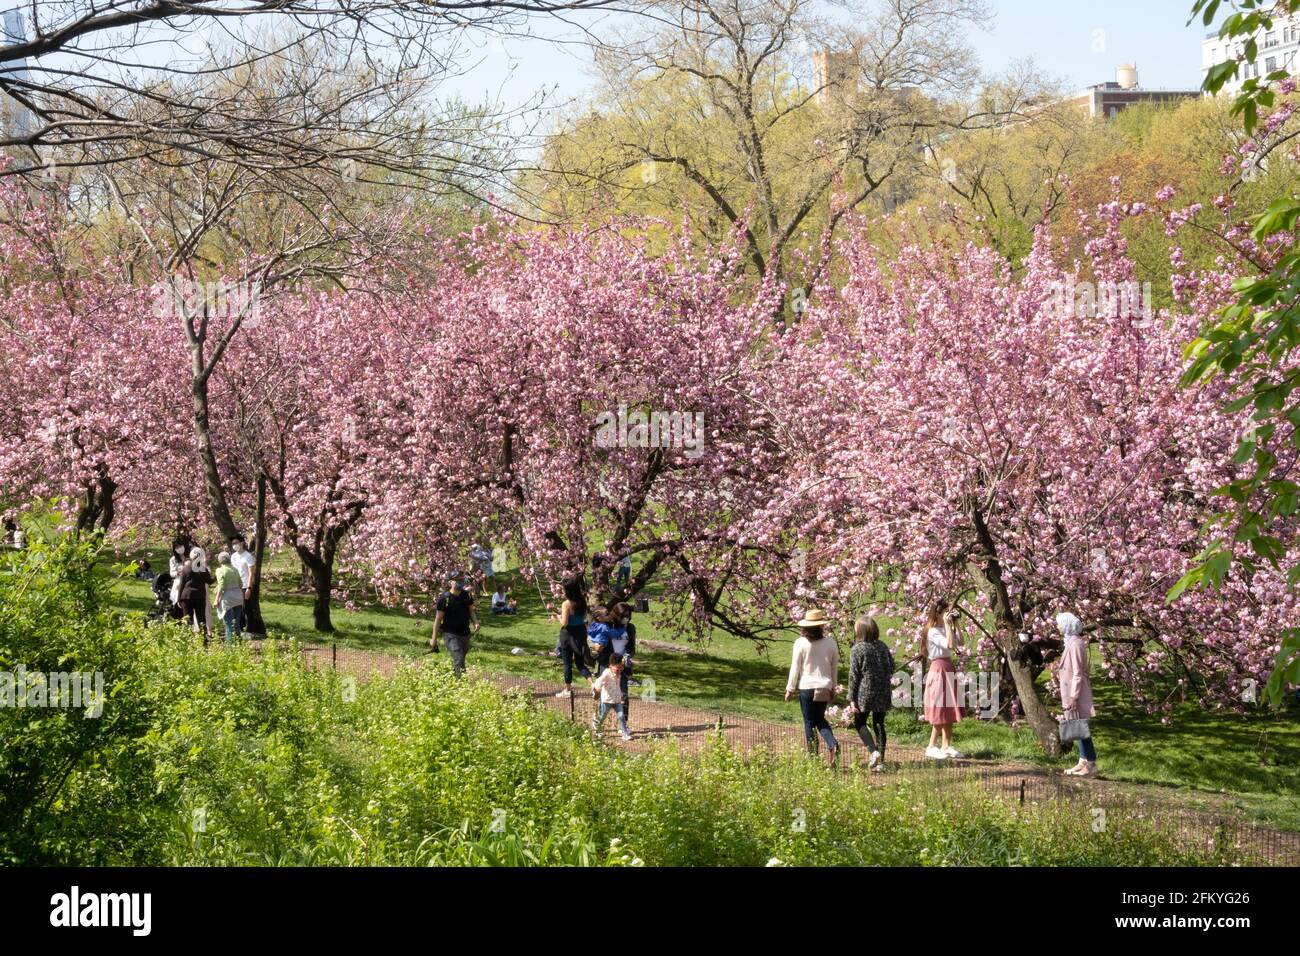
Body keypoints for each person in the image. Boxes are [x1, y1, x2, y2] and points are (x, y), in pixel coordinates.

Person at [784, 608, 840, 767]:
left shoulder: (800, 643)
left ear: (805, 627)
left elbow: (795, 668)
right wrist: (833, 687)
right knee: (820, 719)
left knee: (809, 721)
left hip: (807, 687)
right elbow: (834, 667)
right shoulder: (830, 643)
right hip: (824, 686)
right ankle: (832, 744)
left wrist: (790, 689)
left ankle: (813, 757)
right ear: (821, 626)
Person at [1055, 611, 1098, 777]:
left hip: (1076, 693)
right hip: (1071, 693)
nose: (1058, 627)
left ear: (1067, 626)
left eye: (1060, 624)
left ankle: (1091, 764)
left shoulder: (1076, 644)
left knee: (1081, 728)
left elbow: (1078, 673)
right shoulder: (1070, 643)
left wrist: (1074, 696)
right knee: (1077, 727)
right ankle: (1082, 761)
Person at [848, 616, 894, 770]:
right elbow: (892, 667)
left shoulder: (857, 649)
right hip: (883, 690)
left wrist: (851, 698)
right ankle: (881, 762)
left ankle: (873, 751)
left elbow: (854, 675)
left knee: (860, 722)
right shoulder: (882, 646)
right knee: (879, 723)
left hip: (864, 692)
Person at [921, 601, 964, 760]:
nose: (948, 615)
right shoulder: (932, 631)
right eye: (945, 612)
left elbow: (961, 642)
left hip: (948, 666)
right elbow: (950, 644)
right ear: (938, 613)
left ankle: (946, 745)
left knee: (949, 707)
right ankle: (931, 746)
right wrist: (947, 625)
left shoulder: (944, 628)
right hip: (938, 668)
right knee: (939, 707)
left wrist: (956, 624)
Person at [431, 571, 478, 677]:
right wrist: (434, 638)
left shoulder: (466, 595)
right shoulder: (444, 599)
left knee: (460, 658)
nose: (460, 583)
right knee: (458, 657)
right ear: (451, 582)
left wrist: (476, 622)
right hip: (450, 634)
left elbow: (471, 611)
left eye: (461, 580)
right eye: (457, 580)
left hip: (465, 633)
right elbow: (438, 619)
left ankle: (452, 679)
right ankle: (461, 682)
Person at [554, 577, 592, 699]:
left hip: (568, 634)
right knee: (580, 663)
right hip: (581, 632)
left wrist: (557, 617)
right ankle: (593, 684)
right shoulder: (582, 601)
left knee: (567, 663)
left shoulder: (566, 604)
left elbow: (564, 623)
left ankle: (567, 689)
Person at [590, 656, 633, 741]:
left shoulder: (618, 674)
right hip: (607, 700)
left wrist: (620, 696)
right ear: (610, 666)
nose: (620, 670)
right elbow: (599, 681)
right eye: (618, 668)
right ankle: (597, 728)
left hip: (617, 700)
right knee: (602, 716)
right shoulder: (606, 673)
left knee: (621, 716)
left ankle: (625, 733)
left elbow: (617, 686)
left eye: (621, 667)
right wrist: (596, 688)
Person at [178, 547, 214, 642]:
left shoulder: (186, 568)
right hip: (199, 596)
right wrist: (217, 576)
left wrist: (179, 599)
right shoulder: (202, 568)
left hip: (187, 596)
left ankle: (187, 641)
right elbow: (209, 581)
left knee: (187, 620)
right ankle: (204, 641)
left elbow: (181, 585)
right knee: (201, 619)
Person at [212, 551, 246, 643]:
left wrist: (216, 600)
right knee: (237, 624)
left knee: (229, 624)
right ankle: (239, 644)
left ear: (219, 561)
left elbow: (221, 585)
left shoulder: (220, 570)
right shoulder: (235, 569)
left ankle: (231, 647)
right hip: (238, 598)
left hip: (228, 599)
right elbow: (240, 584)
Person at [229, 535, 255, 601]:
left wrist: (249, 588)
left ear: (242, 543)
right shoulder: (233, 556)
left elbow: (251, 573)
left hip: (245, 586)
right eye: (233, 543)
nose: (235, 545)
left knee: (245, 608)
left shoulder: (248, 556)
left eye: (236, 543)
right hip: (235, 586)